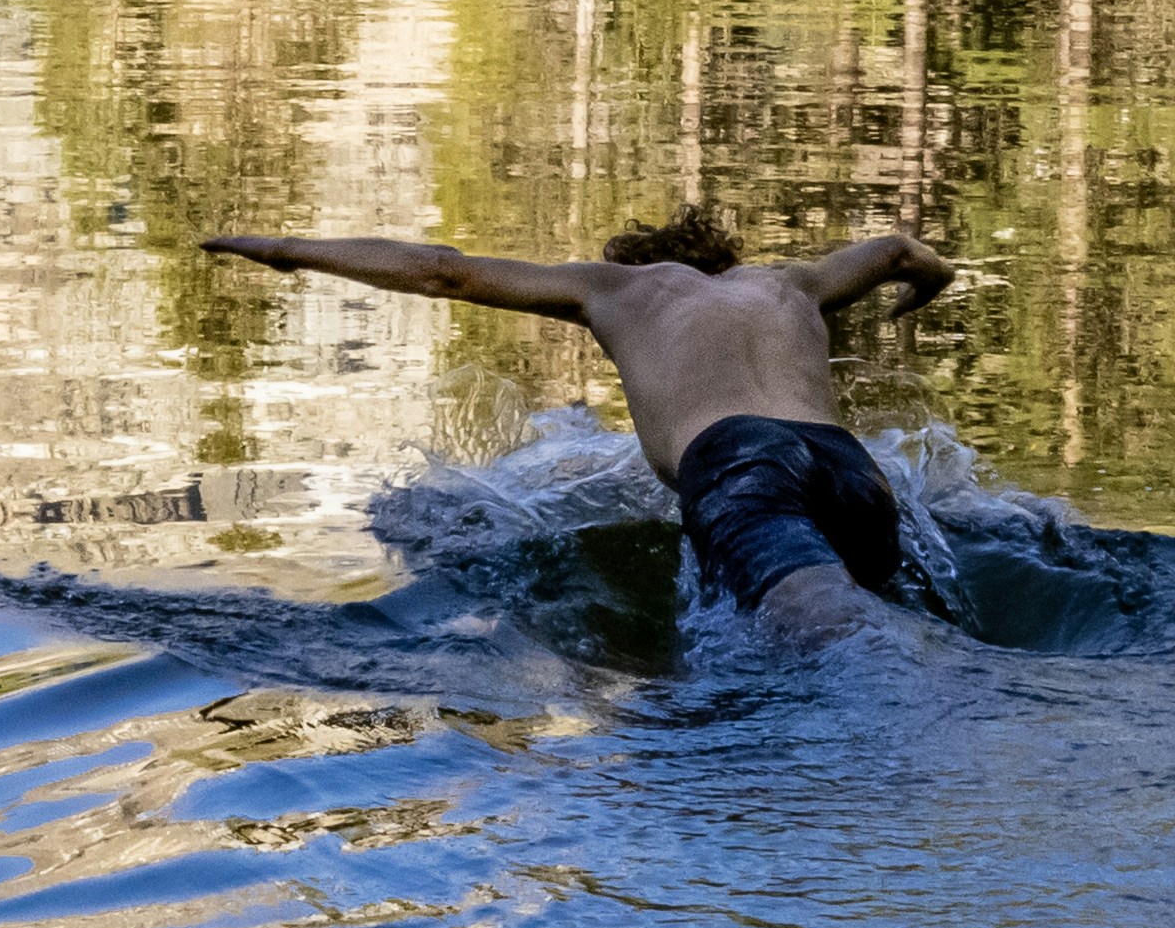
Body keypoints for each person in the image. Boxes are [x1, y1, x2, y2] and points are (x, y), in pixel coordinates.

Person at [199, 205, 966, 648]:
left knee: (832, 637)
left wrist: (286, 251)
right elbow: (904, 251)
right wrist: (927, 287)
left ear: (638, 262)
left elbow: (444, 269)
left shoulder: (618, 287)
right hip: (852, 471)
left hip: (741, 465)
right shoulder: (791, 282)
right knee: (875, 609)